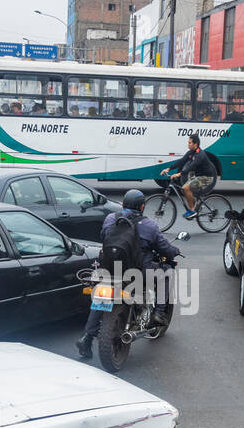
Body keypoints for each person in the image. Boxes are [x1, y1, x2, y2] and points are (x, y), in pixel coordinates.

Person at [75, 189, 180, 358]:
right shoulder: (149, 225)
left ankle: (86, 337)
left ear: (123, 204)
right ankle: (159, 313)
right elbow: (164, 248)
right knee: (166, 272)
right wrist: (174, 252)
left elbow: (104, 236)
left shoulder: (111, 219)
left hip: (109, 270)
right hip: (137, 272)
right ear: (142, 206)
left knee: (101, 299)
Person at [159, 134, 218, 218]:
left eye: (190, 143)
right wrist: (169, 169)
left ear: (195, 144)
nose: (188, 145)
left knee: (186, 188)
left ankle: (192, 210)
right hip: (199, 176)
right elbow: (181, 161)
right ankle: (196, 207)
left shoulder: (200, 154)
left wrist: (179, 174)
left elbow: (192, 166)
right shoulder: (191, 152)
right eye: (188, 142)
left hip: (207, 177)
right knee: (183, 189)